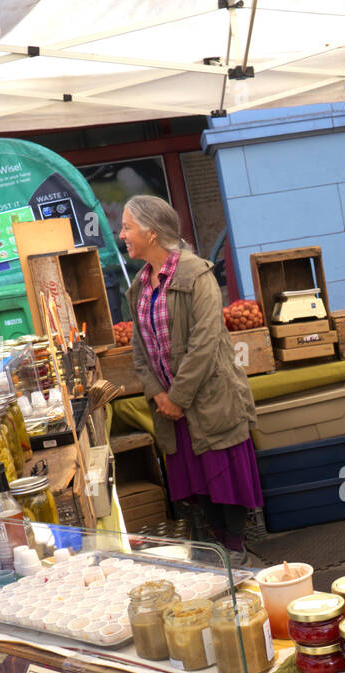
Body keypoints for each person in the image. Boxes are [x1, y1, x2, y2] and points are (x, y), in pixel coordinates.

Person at [121, 195, 263, 565]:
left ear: (151, 233)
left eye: (127, 227)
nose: (122, 235)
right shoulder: (140, 285)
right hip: (171, 406)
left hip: (209, 399)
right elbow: (139, 348)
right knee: (197, 481)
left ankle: (236, 549)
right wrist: (158, 394)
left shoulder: (196, 274)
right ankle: (216, 548)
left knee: (223, 476)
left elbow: (205, 342)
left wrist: (178, 396)